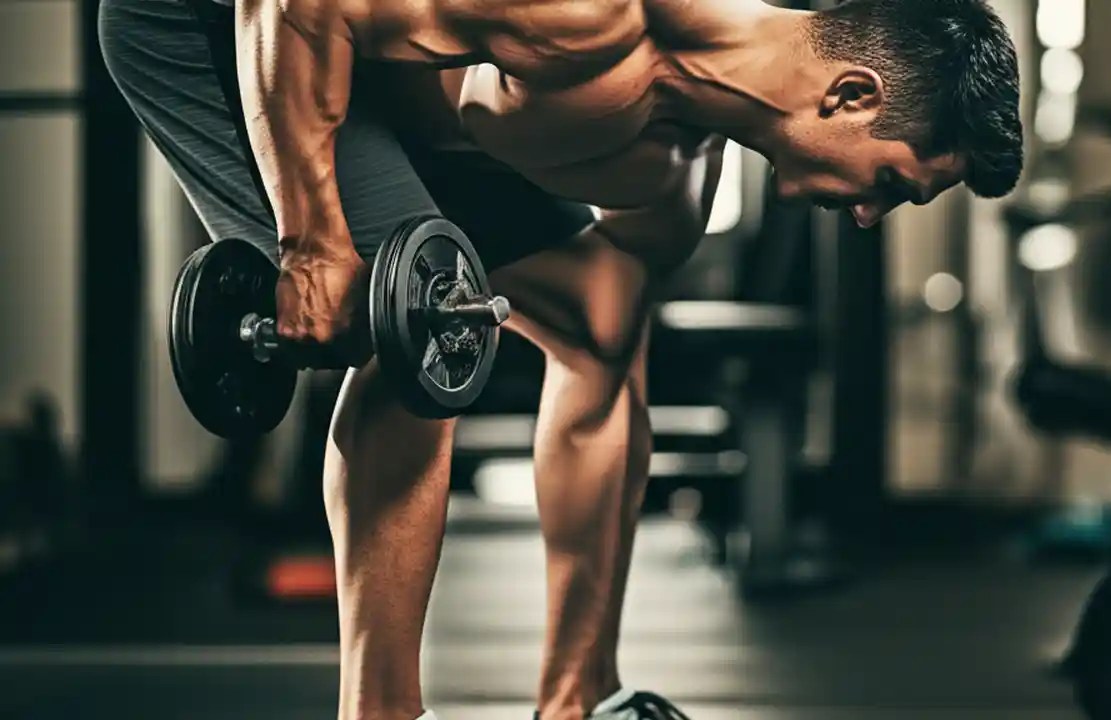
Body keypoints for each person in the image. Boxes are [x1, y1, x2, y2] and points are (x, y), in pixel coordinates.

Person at [99, 0, 1024, 717]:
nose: (869, 215)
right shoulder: (589, 15)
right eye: (893, 186)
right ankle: (381, 709)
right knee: (423, 323)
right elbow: (300, 10)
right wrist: (312, 247)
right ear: (852, 94)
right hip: (214, 25)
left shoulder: (673, 183)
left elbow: (599, 358)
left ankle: (579, 689)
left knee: (601, 324)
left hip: (382, 96)